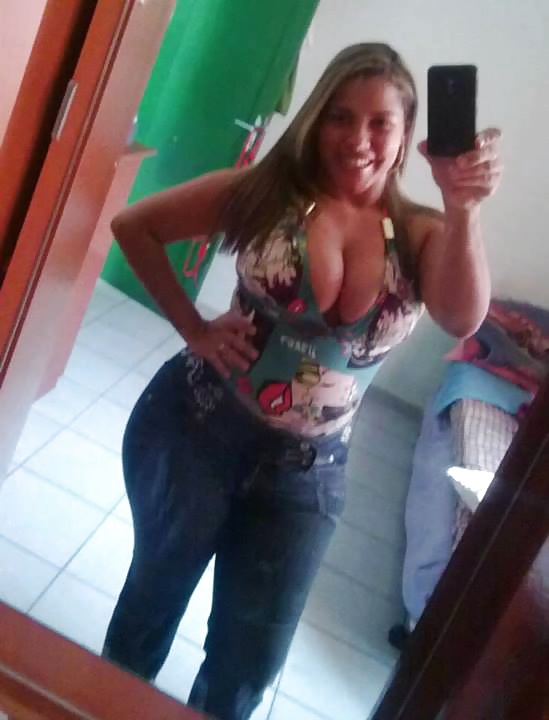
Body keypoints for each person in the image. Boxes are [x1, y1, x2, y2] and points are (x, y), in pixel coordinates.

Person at [102, 43, 502, 719]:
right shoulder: (265, 194)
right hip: (197, 429)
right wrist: (194, 329)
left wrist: (462, 207)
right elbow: (134, 226)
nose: (358, 139)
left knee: (249, 662)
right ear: (316, 119)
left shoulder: (421, 233)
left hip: (307, 475)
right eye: (340, 116)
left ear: (407, 134)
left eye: (379, 122)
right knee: (152, 600)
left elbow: (462, 317)